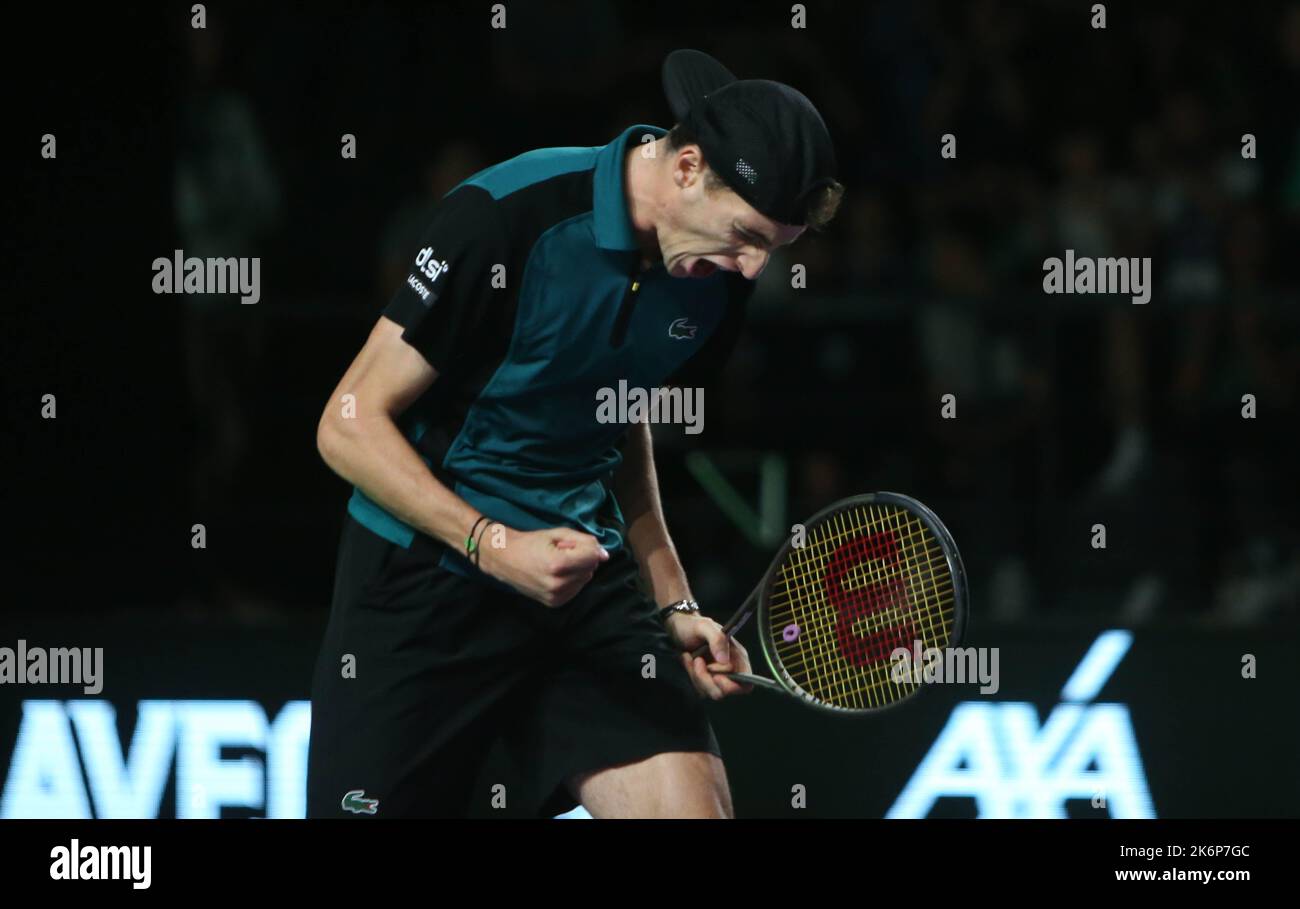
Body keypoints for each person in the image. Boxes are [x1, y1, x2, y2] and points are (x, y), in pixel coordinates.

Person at [307, 49, 843, 818]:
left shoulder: (715, 279)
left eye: (775, 247)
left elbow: (617, 419)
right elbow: (346, 424)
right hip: (424, 588)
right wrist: (494, 543)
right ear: (688, 166)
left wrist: (673, 601)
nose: (754, 269)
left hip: (582, 588)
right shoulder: (509, 216)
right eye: (747, 235)